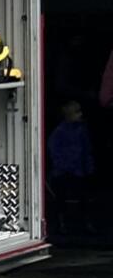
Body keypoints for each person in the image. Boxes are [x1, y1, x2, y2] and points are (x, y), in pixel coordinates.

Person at [48, 99, 95, 240]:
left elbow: (87, 149)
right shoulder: (59, 132)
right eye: (77, 112)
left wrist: (89, 166)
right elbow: (54, 151)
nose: (80, 115)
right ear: (68, 115)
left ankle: (86, 222)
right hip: (63, 171)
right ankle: (62, 223)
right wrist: (62, 166)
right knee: (61, 197)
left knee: (83, 197)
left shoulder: (81, 130)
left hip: (79, 170)